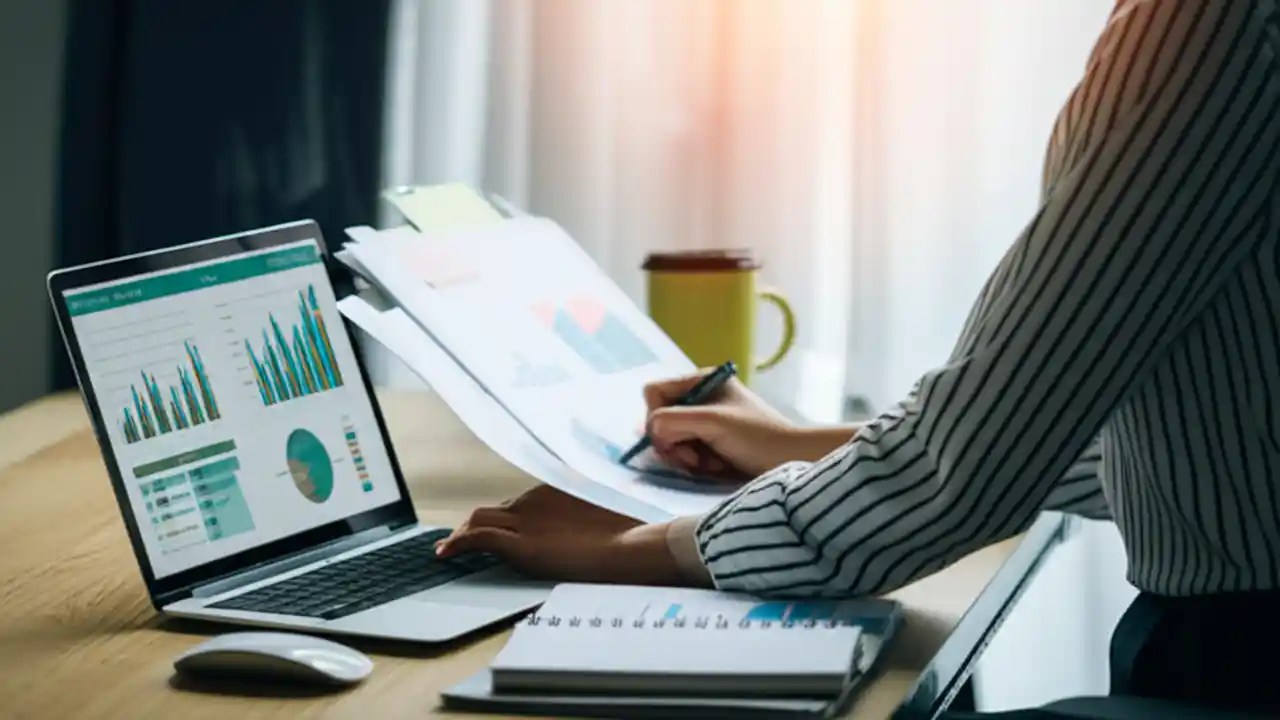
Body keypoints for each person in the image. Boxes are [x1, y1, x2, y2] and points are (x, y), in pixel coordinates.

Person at [437, 0, 1280, 713]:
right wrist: (805, 446)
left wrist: (639, 548)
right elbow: (1219, 445)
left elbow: (962, 473)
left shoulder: (1214, 27)